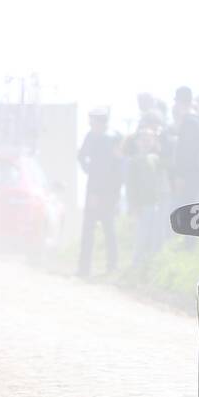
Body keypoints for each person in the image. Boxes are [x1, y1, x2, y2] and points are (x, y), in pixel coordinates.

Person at [77, 106, 123, 277]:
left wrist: (96, 193)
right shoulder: (96, 136)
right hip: (104, 191)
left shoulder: (106, 139)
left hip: (102, 192)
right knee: (100, 228)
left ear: (99, 122)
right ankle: (91, 267)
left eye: (93, 121)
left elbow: (103, 170)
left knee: (103, 228)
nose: (91, 124)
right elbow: (82, 156)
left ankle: (102, 267)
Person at [125, 123, 167, 266]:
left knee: (156, 234)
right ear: (137, 142)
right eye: (143, 139)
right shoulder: (134, 161)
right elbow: (130, 186)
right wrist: (134, 205)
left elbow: (162, 178)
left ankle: (152, 262)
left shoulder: (156, 158)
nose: (146, 142)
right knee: (142, 234)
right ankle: (136, 263)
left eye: (149, 139)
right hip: (143, 204)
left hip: (157, 203)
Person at [170, 86, 199, 208]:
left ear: (178, 102)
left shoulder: (189, 123)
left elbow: (186, 153)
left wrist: (180, 176)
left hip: (190, 177)